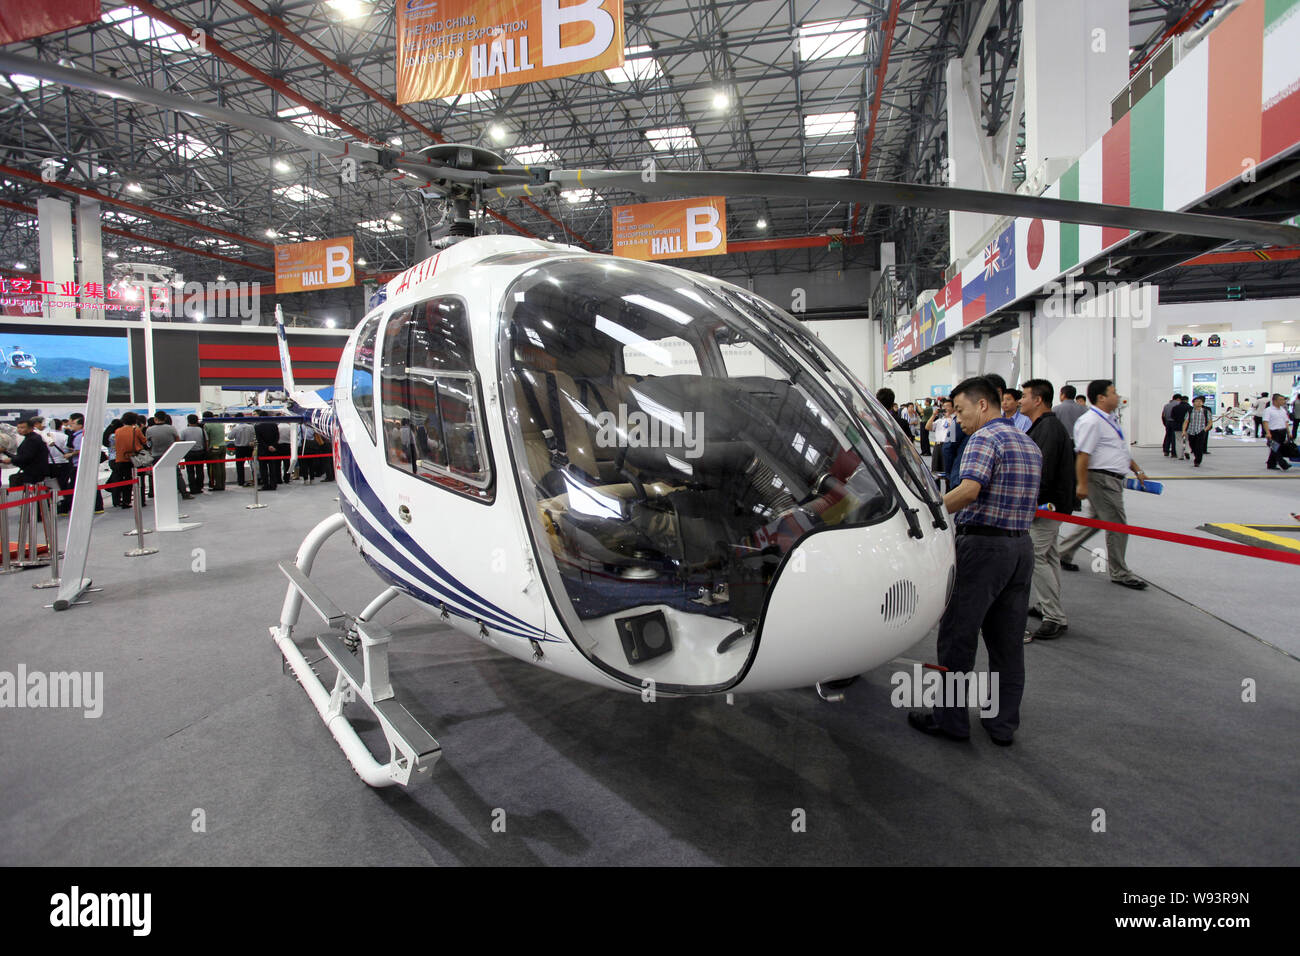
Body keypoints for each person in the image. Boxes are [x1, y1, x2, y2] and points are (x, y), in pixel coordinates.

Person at [907, 376, 1041, 747]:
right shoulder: (1028, 443)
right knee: (1007, 643)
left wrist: (924, 515)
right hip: (1020, 549)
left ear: (982, 405)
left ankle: (950, 720)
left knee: (958, 637)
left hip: (982, 549)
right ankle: (1001, 724)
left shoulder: (985, 438)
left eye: (962, 410)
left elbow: (969, 490)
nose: (959, 419)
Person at [1058, 380, 1150, 589]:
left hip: (1111, 479)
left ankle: (1063, 551)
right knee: (1117, 526)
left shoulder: (1110, 420)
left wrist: (1137, 469)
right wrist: (1082, 485)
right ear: (1101, 397)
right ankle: (1120, 572)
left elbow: (1119, 450)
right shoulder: (1091, 421)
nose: (1118, 396)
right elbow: (1083, 455)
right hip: (1101, 479)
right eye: (1113, 392)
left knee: (1096, 520)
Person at [1019, 379, 1075, 642]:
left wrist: (1030, 503)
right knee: (1050, 556)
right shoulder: (1044, 427)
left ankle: (1055, 616)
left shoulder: (1048, 429)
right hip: (1052, 504)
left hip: (1047, 506)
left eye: (1024, 396)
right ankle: (1045, 607)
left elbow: (1044, 472)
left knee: (1036, 558)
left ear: (1038, 399)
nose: (1020, 400)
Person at [64, 413, 104, 514]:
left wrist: (70, 454)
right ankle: (97, 506)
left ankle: (71, 507)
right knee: (91, 485)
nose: (71, 425)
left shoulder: (79, 436)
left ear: (80, 425)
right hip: (86, 464)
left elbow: (80, 450)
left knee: (73, 486)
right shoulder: (85, 434)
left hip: (79, 465)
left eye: (73, 423)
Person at [145, 412, 189, 500]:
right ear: (165, 419)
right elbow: (177, 441)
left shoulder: (149, 430)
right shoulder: (171, 428)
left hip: (155, 455)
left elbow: (148, 443)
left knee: (157, 476)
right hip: (170, 455)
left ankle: (158, 495)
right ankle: (184, 493)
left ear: (155, 419)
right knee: (177, 475)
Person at [0, 419, 51, 488]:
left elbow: (27, 457)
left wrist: (11, 460)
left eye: (22, 428)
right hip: (33, 471)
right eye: (18, 427)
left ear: (31, 428)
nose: (19, 430)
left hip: (34, 473)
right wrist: (5, 452)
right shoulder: (31, 438)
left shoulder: (32, 440)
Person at [111, 412, 147, 508]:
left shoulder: (117, 431)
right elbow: (144, 441)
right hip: (134, 458)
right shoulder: (136, 430)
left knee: (125, 480)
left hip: (121, 458)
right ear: (135, 420)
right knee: (139, 479)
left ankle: (125, 501)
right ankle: (141, 500)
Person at [1182, 395, 1215, 467]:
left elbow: (1210, 422)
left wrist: (1205, 429)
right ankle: (1196, 455)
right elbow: (1186, 421)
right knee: (1192, 446)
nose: (1198, 403)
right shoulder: (1190, 411)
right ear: (1193, 403)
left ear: (1203, 403)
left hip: (1201, 431)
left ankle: (1197, 461)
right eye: (1196, 401)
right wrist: (1184, 431)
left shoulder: (1206, 412)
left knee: (1199, 447)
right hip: (1191, 431)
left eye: (1200, 401)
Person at [180, 414, 208, 495]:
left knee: (190, 472)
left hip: (189, 454)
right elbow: (206, 441)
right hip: (200, 453)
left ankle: (193, 488)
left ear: (188, 421)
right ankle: (199, 487)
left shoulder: (184, 431)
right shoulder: (202, 430)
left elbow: (181, 443)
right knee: (200, 470)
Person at [1264, 393, 1293, 471]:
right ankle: (1283, 464)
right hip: (1273, 432)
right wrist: (1268, 432)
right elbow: (1265, 422)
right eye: (1281, 400)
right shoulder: (1268, 410)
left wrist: (1288, 433)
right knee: (1276, 449)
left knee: (1276, 449)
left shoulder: (1283, 410)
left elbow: (1286, 422)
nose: (1283, 401)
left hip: (1282, 432)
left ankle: (1270, 464)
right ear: (1275, 401)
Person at [254, 411, 280, 491]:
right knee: (273, 468)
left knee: (263, 469)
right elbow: (277, 437)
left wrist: (267, 446)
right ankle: (273, 484)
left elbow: (259, 440)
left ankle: (265, 484)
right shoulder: (274, 425)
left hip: (263, 451)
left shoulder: (257, 426)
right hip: (273, 450)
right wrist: (273, 446)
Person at [202, 411, 227, 491]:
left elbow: (207, 439)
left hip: (214, 447)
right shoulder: (220, 424)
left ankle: (218, 485)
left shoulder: (207, 425)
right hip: (223, 446)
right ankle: (222, 484)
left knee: (216, 468)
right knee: (222, 466)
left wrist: (207, 449)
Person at [231, 413, 255, 487]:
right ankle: (255, 479)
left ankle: (241, 481)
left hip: (239, 448)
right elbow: (255, 435)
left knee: (240, 466)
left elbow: (230, 437)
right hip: (249, 448)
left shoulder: (236, 428)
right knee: (253, 465)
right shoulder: (251, 427)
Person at [1169, 394, 1191, 460]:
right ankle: (1187, 451)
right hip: (1188, 427)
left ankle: (1180, 456)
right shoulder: (1190, 408)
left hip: (1177, 426)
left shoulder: (1175, 408)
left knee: (1178, 441)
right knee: (1188, 440)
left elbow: (1172, 417)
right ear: (1187, 400)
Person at [1160, 392, 1180, 457]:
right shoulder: (1178, 404)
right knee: (1174, 438)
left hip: (1167, 422)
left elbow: (1163, 415)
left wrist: (1165, 423)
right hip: (1175, 422)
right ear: (1178, 399)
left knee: (1167, 436)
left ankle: (1166, 451)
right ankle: (1174, 453)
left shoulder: (1166, 405)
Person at [277, 415, 295, 482]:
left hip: (278, 446)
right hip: (287, 446)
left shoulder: (277, 426)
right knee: (287, 463)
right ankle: (287, 478)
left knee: (277, 464)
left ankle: (278, 479)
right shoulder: (289, 427)